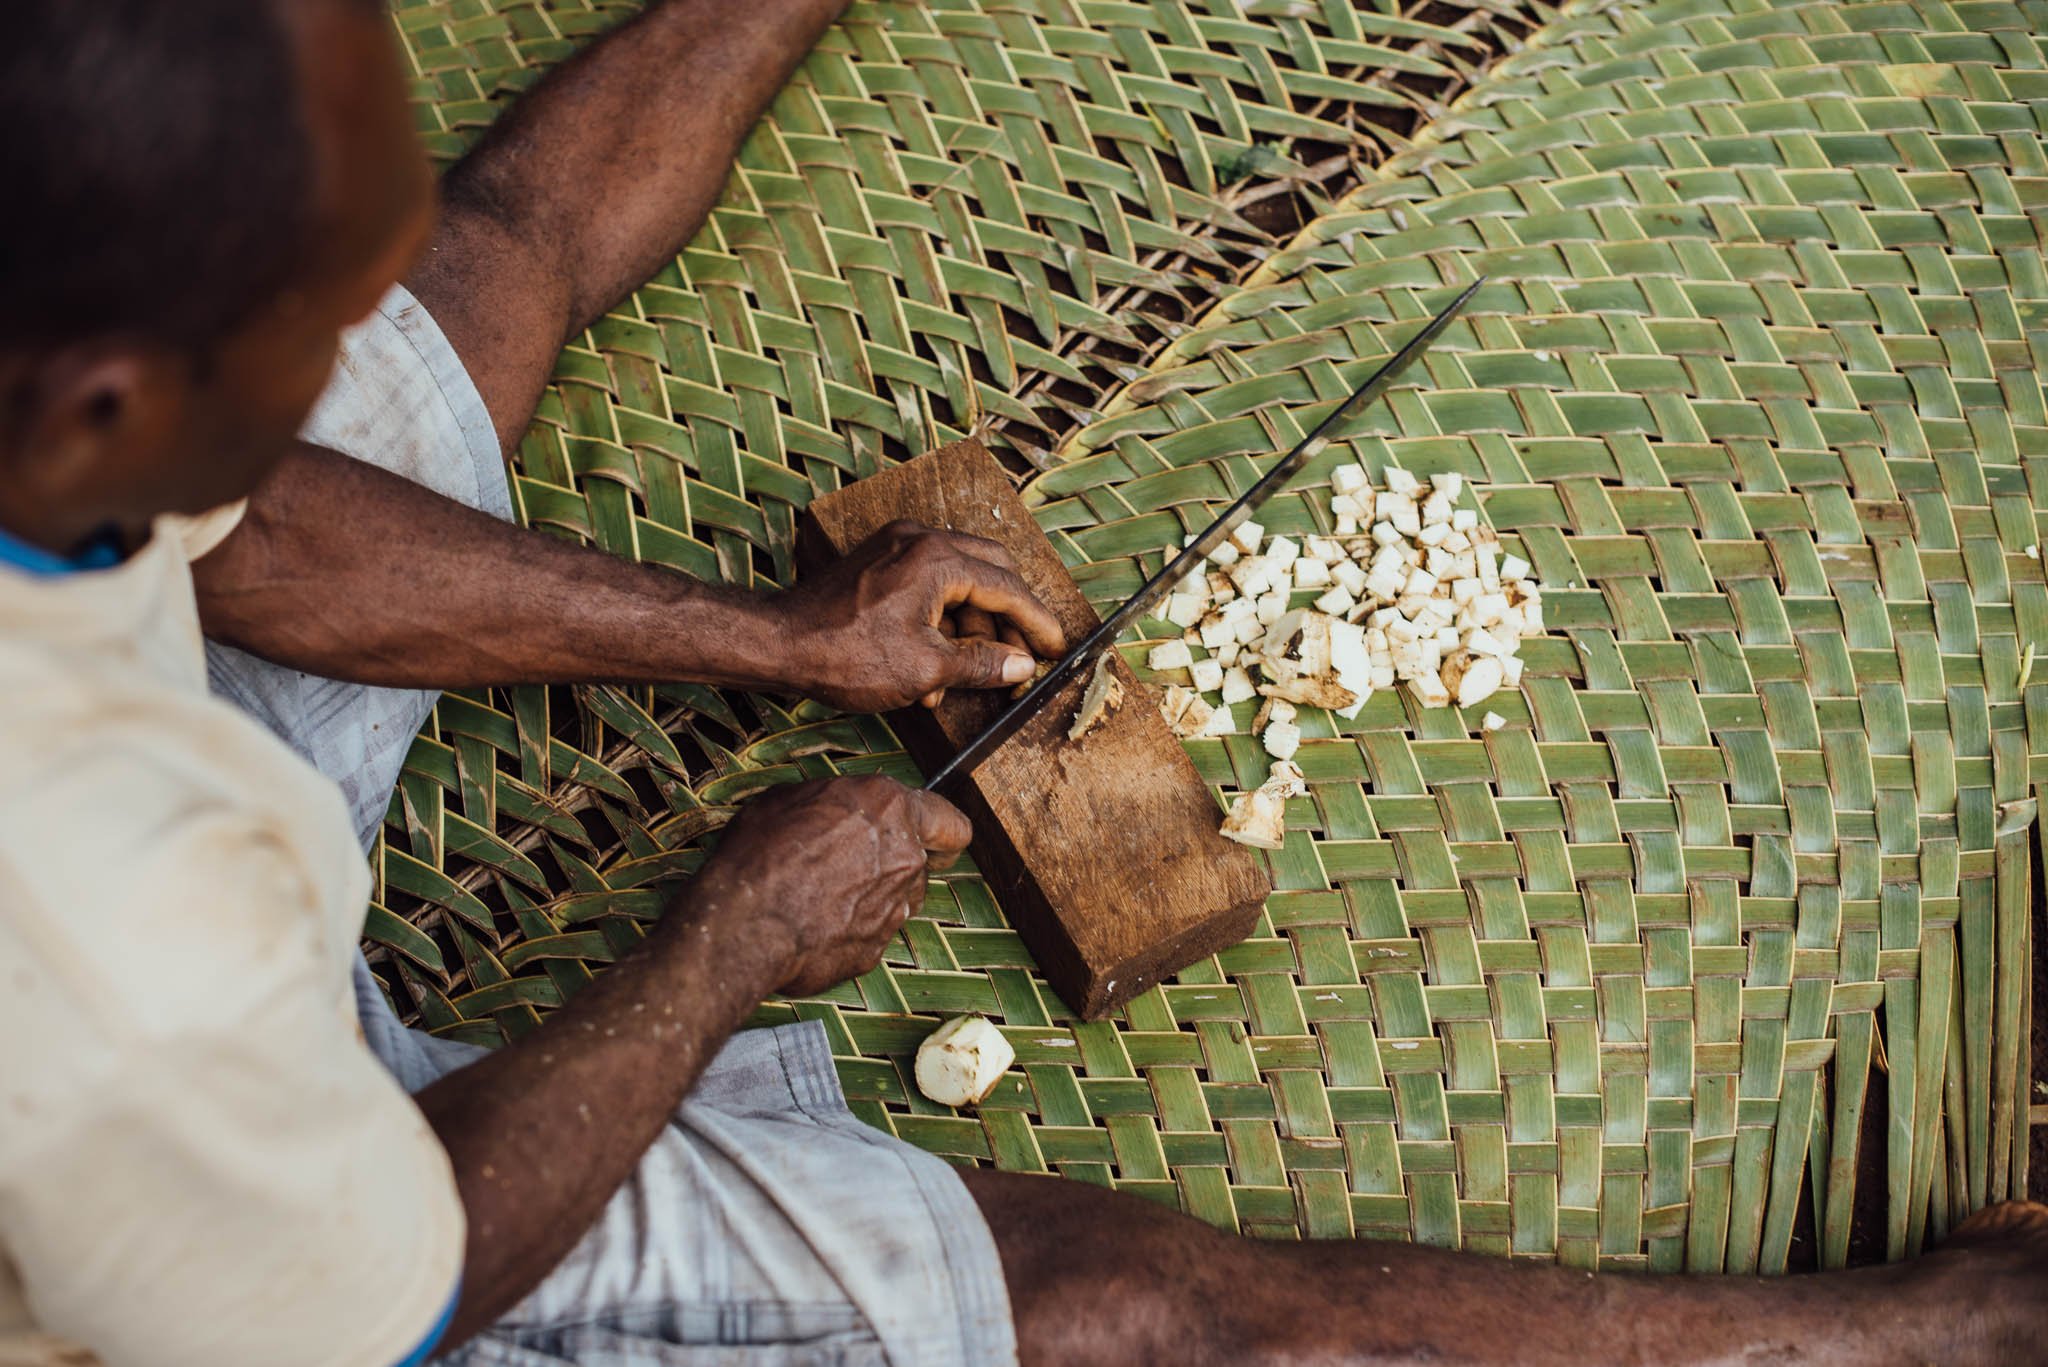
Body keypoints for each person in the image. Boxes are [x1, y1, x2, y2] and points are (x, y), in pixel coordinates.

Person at [0, 2, 2041, 1364]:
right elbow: (397, 1283)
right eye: (302, 305)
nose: (343, 316)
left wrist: (783, 639)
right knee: (1119, 1314)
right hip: (266, 1243)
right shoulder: (116, 949)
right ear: (102, 400)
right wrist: (729, 941)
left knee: (489, 265)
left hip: (125, 785)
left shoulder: (64, 390)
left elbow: (263, 530)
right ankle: (1904, 1341)